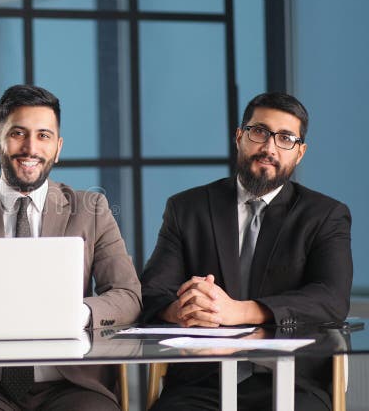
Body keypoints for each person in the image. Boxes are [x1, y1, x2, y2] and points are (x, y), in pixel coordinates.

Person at [0, 84, 142, 411]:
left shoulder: (92, 210)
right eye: (18, 133)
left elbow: (128, 295)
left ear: (57, 148)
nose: (30, 147)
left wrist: (78, 313)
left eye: (43, 136)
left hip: (72, 384)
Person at [140, 92, 353, 411]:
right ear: (239, 137)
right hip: (201, 382)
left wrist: (239, 311)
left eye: (285, 139)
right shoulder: (187, 208)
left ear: (300, 153)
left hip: (292, 383)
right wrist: (186, 310)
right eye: (259, 132)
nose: (269, 148)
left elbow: (330, 298)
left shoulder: (325, 214)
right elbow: (152, 291)